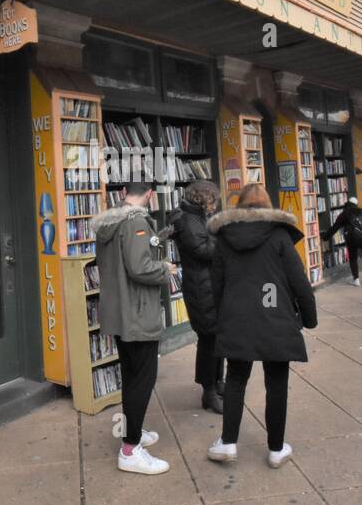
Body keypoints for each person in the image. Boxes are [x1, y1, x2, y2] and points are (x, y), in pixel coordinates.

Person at [206, 183, 318, 469]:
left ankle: (228, 443)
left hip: (237, 318)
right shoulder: (279, 236)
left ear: (240, 206)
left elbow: (216, 285)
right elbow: (299, 282)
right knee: (277, 383)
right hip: (275, 318)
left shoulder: (224, 238)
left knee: (235, 380)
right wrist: (309, 318)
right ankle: (276, 449)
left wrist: (221, 318)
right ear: (268, 206)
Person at [91, 181, 178, 475]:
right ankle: (130, 450)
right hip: (137, 312)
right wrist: (165, 269)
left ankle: (134, 433)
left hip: (119, 311)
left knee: (131, 375)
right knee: (143, 377)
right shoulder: (136, 221)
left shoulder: (112, 217)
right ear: (150, 195)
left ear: (123, 193)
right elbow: (140, 267)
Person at [170, 180, 225, 414]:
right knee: (208, 338)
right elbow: (204, 252)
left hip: (209, 283)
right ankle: (208, 391)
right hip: (200, 287)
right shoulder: (187, 221)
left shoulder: (196, 217)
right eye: (213, 200)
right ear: (203, 199)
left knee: (217, 336)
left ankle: (217, 382)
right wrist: (223, 237)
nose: (214, 205)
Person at [320, 197, 362, 287]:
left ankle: (356, 279)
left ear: (347, 204)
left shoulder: (345, 213)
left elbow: (335, 227)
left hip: (352, 237)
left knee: (353, 257)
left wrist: (325, 237)